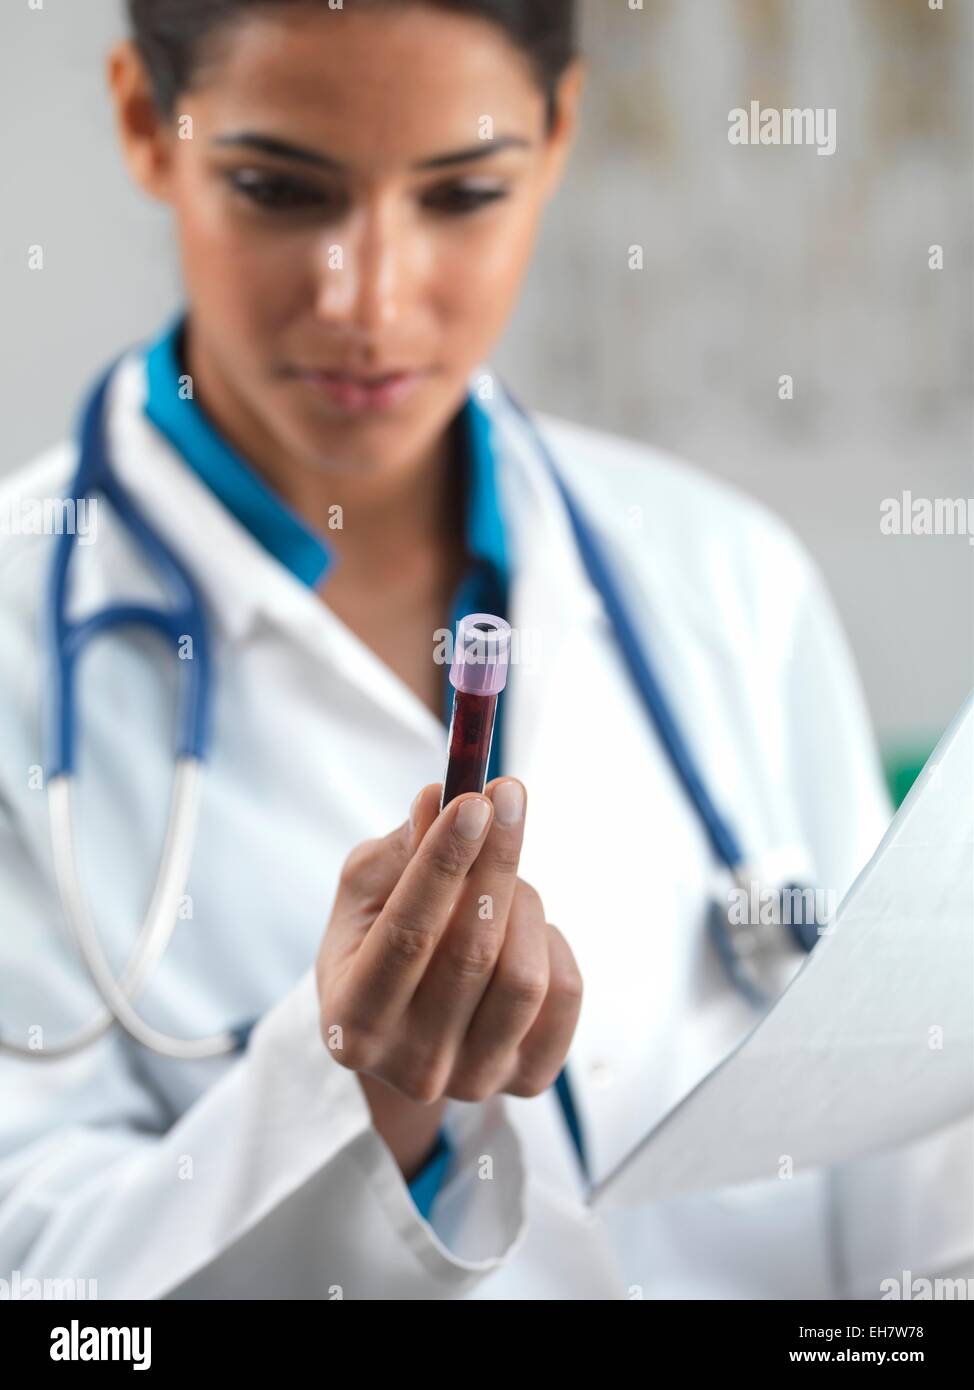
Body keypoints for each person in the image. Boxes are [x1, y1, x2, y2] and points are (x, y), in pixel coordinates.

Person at [0, 0, 969, 1300]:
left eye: (460, 194)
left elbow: (901, 1134)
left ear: (559, 133)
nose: (368, 296)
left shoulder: (722, 576)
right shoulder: (21, 641)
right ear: (142, 120)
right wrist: (361, 1102)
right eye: (281, 189)